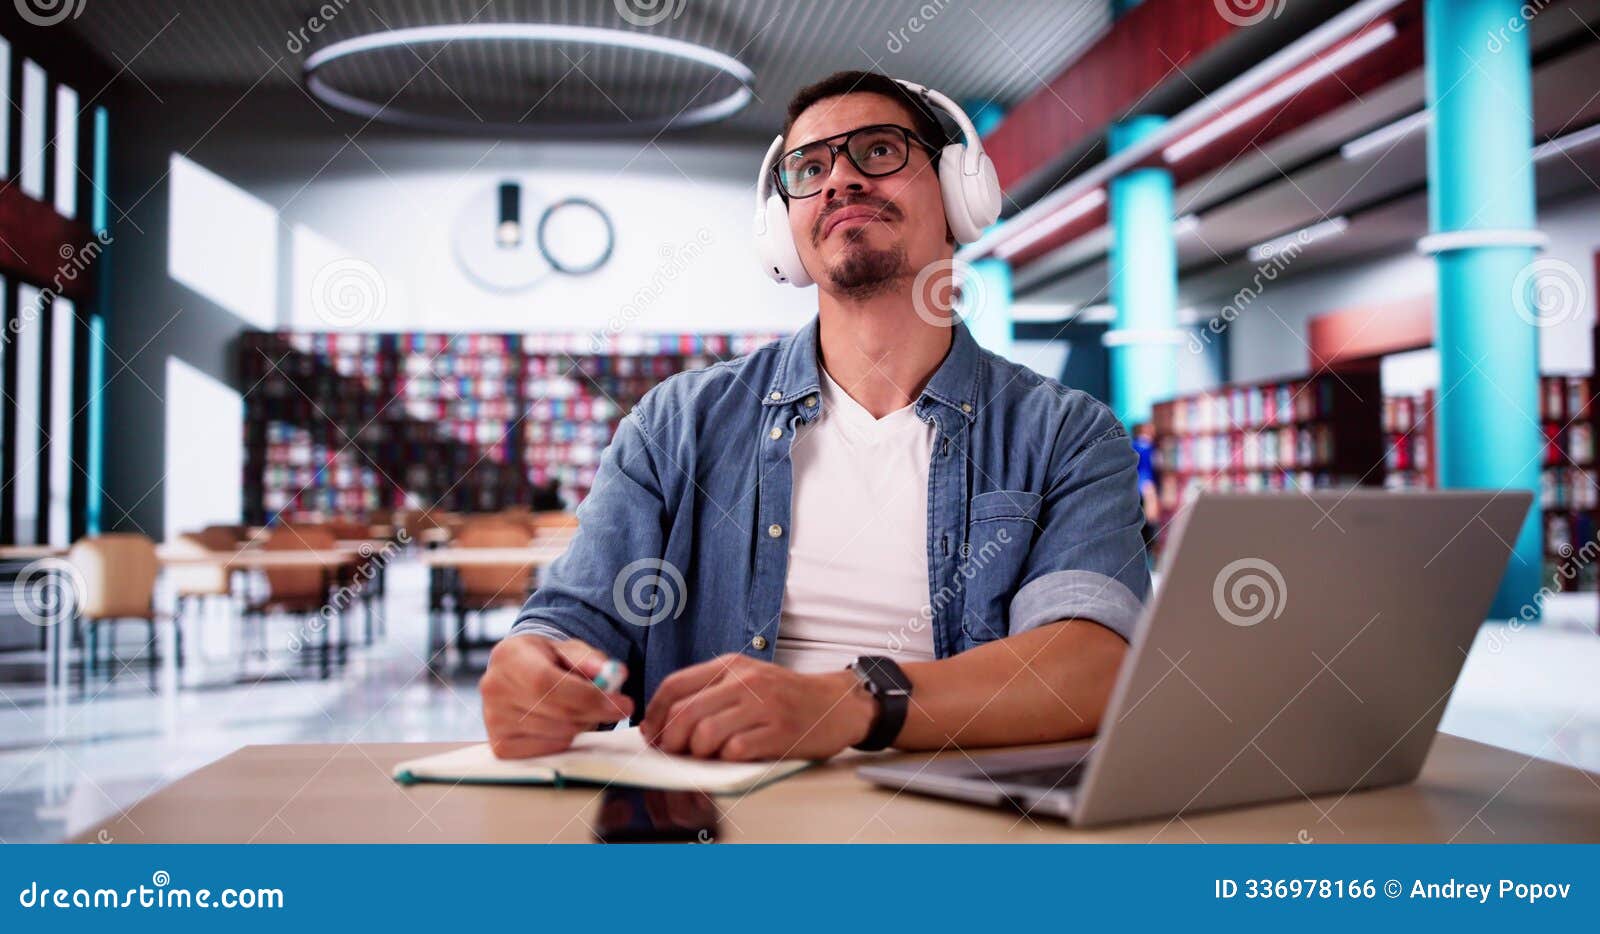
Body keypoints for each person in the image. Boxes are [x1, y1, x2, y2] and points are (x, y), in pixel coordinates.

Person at [480, 70, 1149, 763]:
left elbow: (1091, 665)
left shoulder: (1067, 435)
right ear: (783, 229)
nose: (840, 181)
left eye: (880, 152)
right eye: (809, 166)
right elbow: (575, 621)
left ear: (958, 193)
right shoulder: (676, 425)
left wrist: (849, 703)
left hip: (958, 826)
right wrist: (536, 663)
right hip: (719, 827)